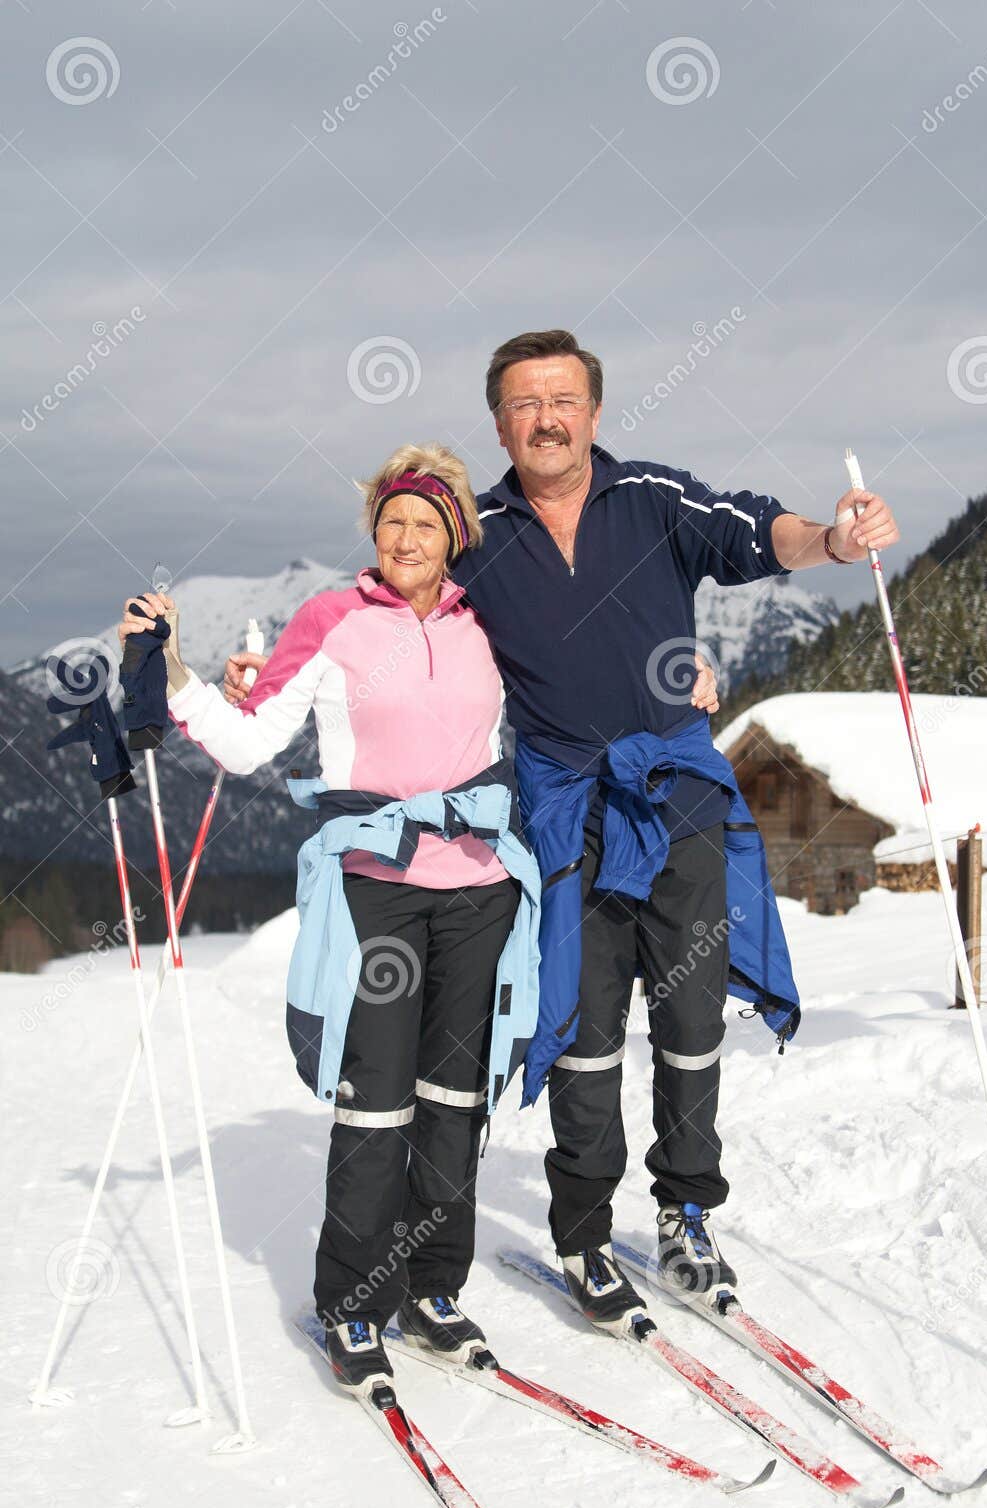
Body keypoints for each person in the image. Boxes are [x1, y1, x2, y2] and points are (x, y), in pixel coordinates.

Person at [228, 330, 900, 1337]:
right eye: (523, 403)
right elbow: (387, 601)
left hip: (675, 794)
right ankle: (584, 1232)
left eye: (563, 399)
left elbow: (764, 536)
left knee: (690, 1023)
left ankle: (683, 1215)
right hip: (561, 809)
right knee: (585, 1035)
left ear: (592, 410)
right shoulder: (480, 532)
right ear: (499, 423)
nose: (545, 418)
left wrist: (838, 541)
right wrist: (272, 676)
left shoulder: (656, 500)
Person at [117, 444, 540, 1397]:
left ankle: (433, 1289)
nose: (404, 538)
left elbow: (553, 707)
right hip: (375, 888)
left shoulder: (489, 625)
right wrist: (175, 672)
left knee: (453, 1100)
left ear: (455, 537)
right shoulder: (334, 620)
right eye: (391, 521)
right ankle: (352, 1301)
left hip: (479, 888)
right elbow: (251, 739)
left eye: (425, 523)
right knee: (377, 1100)